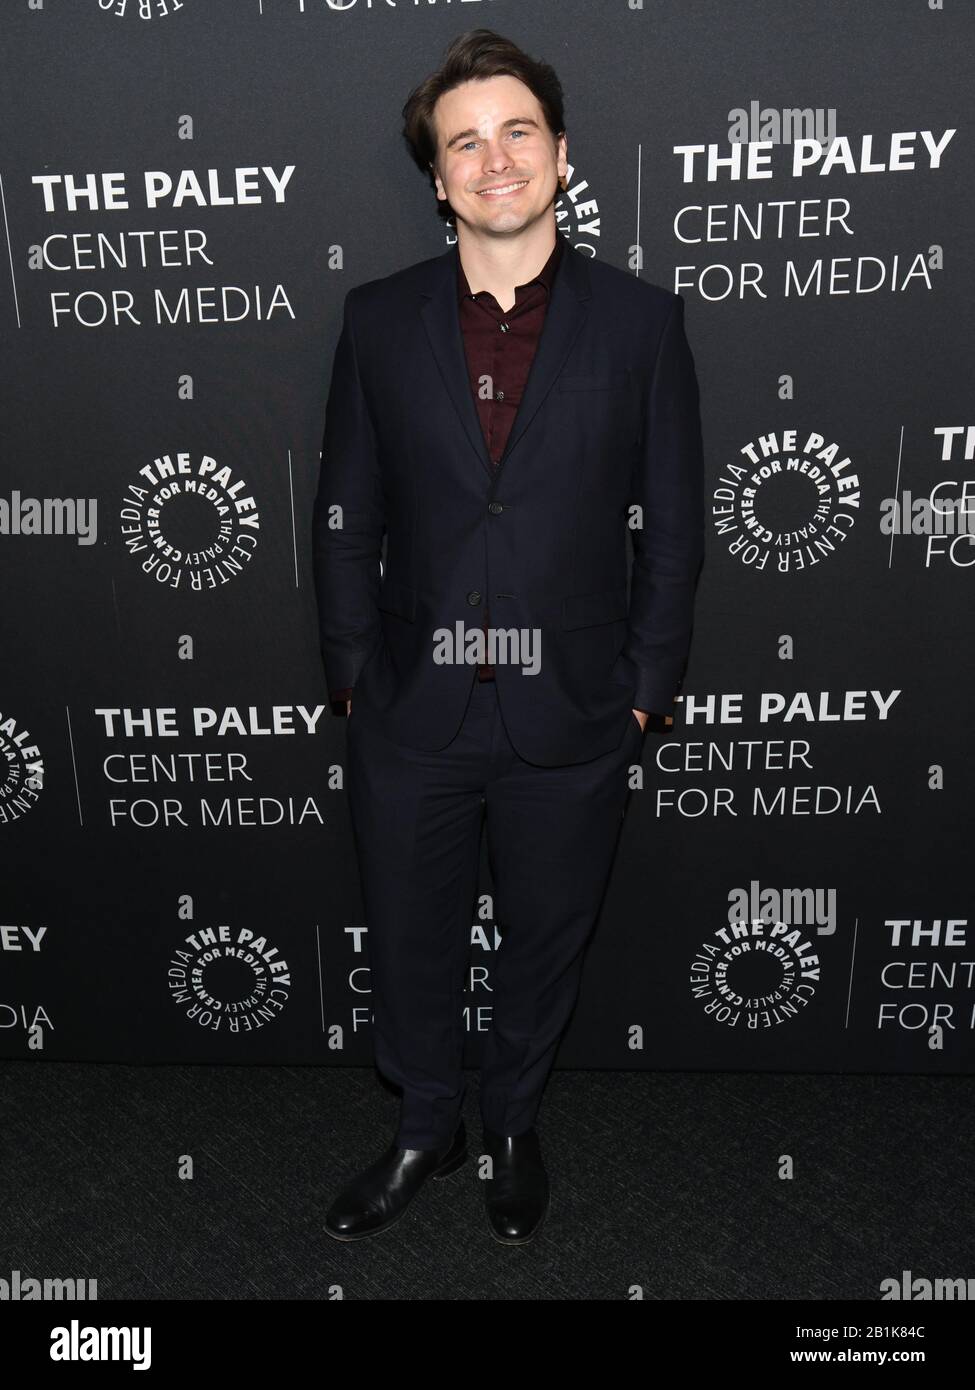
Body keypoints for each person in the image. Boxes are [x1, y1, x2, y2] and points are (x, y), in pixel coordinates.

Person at [312, 27, 705, 1245]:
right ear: (437, 177)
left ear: (561, 153)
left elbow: (679, 527)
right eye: (465, 141)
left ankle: (517, 1123)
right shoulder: (377, 320)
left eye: (517, 132)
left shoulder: (641, 323)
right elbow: (344, 516)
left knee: (546, 940)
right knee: (411, 939)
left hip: (577, 710)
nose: (495, 160)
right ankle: (427, 1125)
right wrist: (356, 678)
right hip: (414, 712)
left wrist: (642, 689)